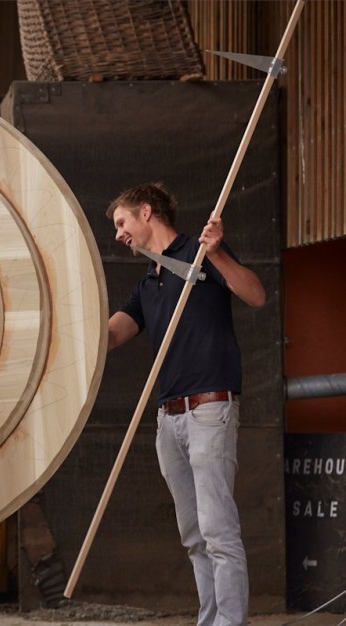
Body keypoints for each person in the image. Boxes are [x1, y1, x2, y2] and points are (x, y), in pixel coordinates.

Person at [106, 183, 265, 626]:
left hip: (209, 410)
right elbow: (112, 336)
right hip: (169, 420)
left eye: (122, 223)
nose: (119, 234)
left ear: (146, 212)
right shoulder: (148, 284)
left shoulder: (200, 252)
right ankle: (209, 620)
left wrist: (216, 254)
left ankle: (230, 623)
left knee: (217, 531)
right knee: (194, 536)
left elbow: (255, 294)